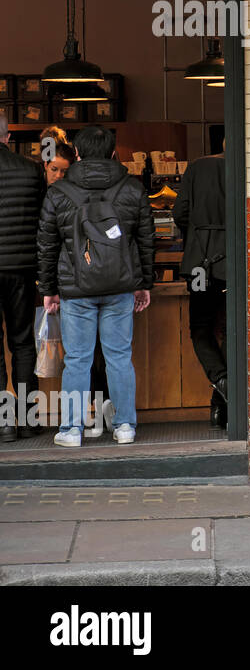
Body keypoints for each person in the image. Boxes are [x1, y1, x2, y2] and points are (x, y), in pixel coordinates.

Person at [38, 125, 155, 448]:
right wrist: (144, 283)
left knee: (77, 359)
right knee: (119, 356)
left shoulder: (58, 193)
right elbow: (146, 240)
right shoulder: (133, 189)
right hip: (120, 287)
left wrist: (49, 288)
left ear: (76, 153)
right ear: (114, 153)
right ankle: (125, 426)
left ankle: (72, 430)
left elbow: (47, 245)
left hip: (77, 289)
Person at [174, 143, 228, 428]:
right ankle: (226, 392)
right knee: (232, 330)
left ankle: (221, 383)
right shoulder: (249, 167)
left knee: (201, 328)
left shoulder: (197, 166)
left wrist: (197, 233)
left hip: (200, 261)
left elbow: (179, 213)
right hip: (236, 258)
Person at [0, 114, 45, 441]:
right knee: (23, 341)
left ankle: (3, 424)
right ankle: (28, 420)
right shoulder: (31, 169)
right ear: (7, 135)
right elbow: (43, 223)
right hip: (22, 268)